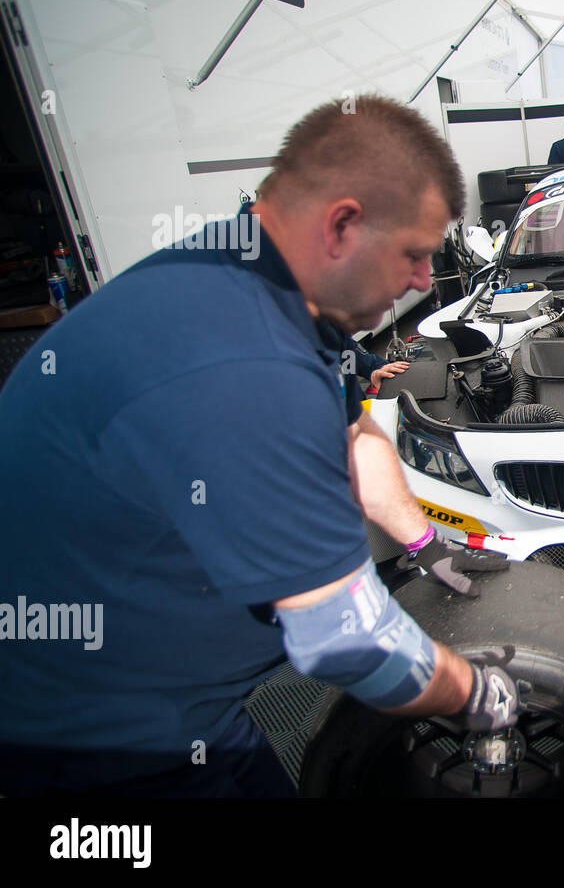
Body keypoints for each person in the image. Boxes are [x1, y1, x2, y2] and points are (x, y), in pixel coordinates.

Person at [0, 95, 518, 797]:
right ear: (342, 226)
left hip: (186, 705)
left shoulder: (268, 278)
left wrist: (425, 546)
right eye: (416, 255)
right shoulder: (243, 367)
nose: (428, 282)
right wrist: (473, 692)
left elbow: (355, 432)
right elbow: (343, 637)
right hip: (98, 734)